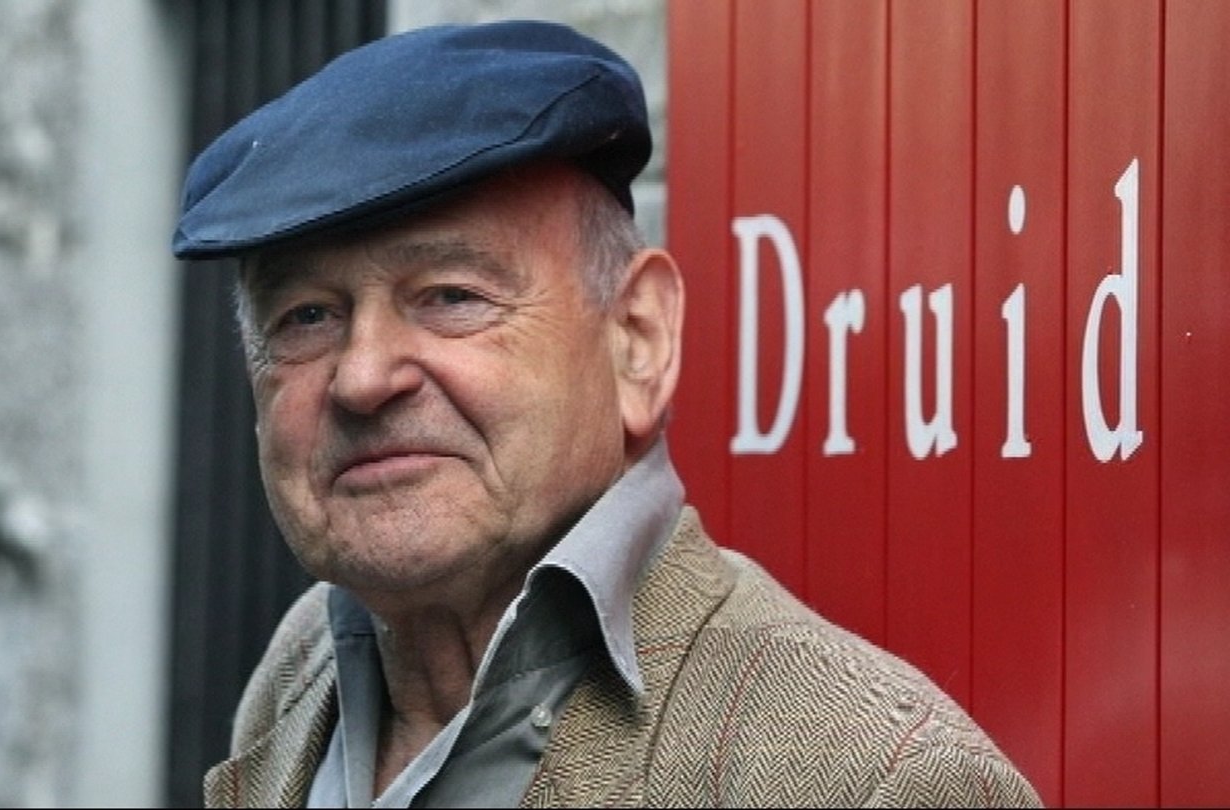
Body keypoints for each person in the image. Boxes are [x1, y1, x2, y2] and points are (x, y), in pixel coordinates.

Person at [172, 20, 1042, 809]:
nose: (363, 377)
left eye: (450, 295)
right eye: (307, 318)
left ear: (638, 340)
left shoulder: (876, 780)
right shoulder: (308, 664)